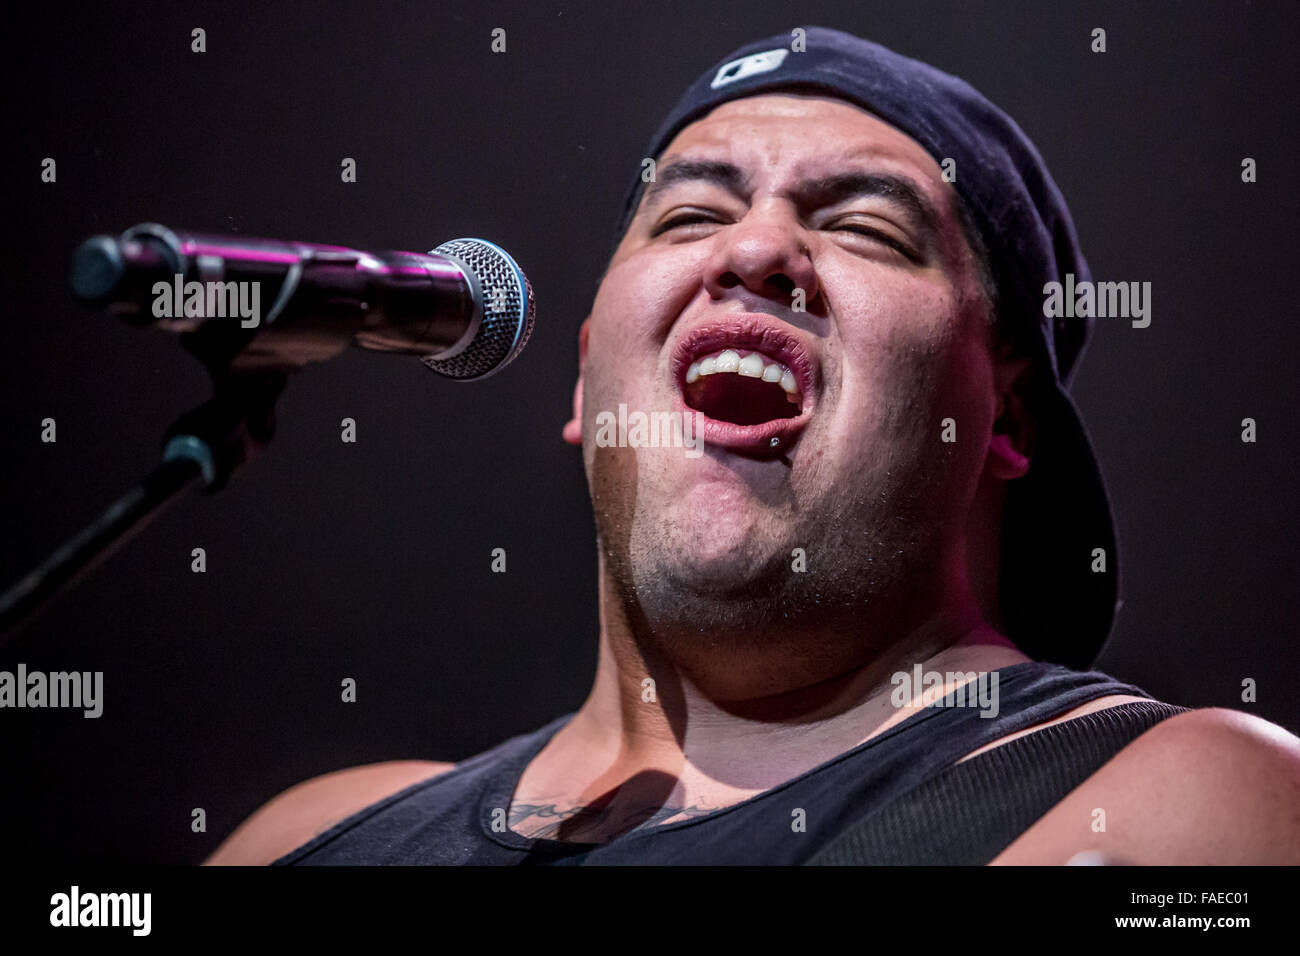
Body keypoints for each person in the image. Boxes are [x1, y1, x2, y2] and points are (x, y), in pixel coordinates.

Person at [205, 27, 1300, 865]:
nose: (758, 245)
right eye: (687, 216)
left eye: (868, 226)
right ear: (588, 374)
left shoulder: (1182, 805)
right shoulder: (310, 836)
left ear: (1006, 417)